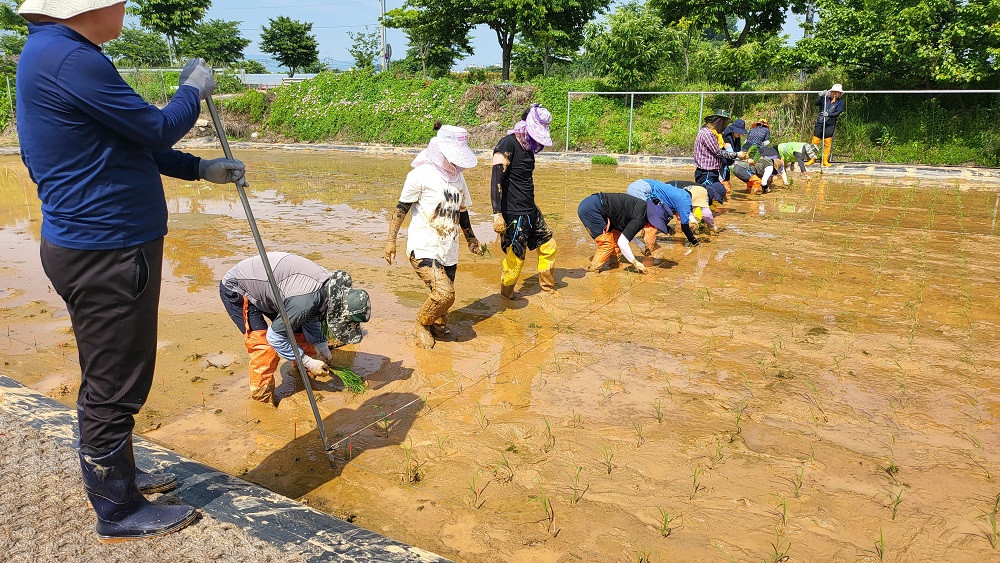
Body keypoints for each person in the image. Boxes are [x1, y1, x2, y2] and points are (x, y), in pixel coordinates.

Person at [15, 0, 244, 542]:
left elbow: (126, 139)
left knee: (111, 369)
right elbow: (157, 127)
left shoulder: (55, 53)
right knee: (116, 382)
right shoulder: (73, 61)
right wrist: (192, 90)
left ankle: (121, 475)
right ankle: (116, 510)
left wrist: (199, 170)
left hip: (89, 244)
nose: (125, 7)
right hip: (109, 251)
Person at [220, 253, 371, 404]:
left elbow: (311, 313)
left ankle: (302, 374)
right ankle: (262, 399)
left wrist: (320, 344)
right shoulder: (305, 301)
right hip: (239, 288)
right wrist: (309, 361)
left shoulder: (330, 291)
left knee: (302, 337)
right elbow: (275, 337)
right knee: (264, 348)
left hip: (275, 288)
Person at [385, 123, 481, 349]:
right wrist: (391, 240)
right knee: (445, 293)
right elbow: (401, 209)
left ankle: (434, 327)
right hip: (424, 246)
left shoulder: (458, 177)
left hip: (449, 247)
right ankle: (420, 324)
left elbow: (462, 210)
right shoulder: (420, 174)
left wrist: (470, 238)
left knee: (441, 310)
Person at [491, 104, 557, 299]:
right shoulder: (507, 144)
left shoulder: (527, 146)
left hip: (530, 208)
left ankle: (547, 290)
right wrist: (497, 215)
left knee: (549, 246)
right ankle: (506, 295)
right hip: (513, 212)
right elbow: (496, 182)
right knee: (516, 259)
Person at [577, 192, 653, 273]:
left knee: (616, 235)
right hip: (590, 209)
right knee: (606, 243)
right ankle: (593, 270)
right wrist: (635, 262)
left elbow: (624, 235)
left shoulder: (637, 212)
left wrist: (641, 245)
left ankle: (614, 265)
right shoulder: (638, 217)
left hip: (598, 205)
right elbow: (623, 242)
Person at [625, 179, 701, 248]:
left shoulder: (674, 194)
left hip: (639, 184)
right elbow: (685, 227)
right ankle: (649, 251)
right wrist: (694, 241)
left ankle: (645, 242)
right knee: (651, 226)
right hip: (640, 190)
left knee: (648, 219)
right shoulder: (684, 201)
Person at [694, 109, 743, 187]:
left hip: (712, 172)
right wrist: (737, 155)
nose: (724, 125)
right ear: (717, 122)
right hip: (706, 173)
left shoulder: (714, 133)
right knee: (710, 196)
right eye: (723, 122)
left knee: (720, 192)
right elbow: (718, 152)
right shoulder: (708, 133)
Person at [811, 84, 845, 166]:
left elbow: (838, 112)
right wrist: (822, 96)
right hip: (820, 122)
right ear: (831, 92)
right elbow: (816, 103)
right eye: (834, 92)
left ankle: (825, 160)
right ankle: (811, 159)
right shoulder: (825, 99)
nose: (835, 94)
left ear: (840, 94)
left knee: (827, 142)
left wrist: (828, 114)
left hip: (830, 124)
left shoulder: (840, 102)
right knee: (815, 141)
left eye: (837, 92)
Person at [720, 118, 748, 190]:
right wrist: (745, 159)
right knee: (724, 187)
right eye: (738, 132)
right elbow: (731, 154)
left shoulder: (737, 137)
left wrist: (746, 157)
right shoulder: (726, 137)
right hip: (720, 165)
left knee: (727, 186)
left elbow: (738, 151)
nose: (740, 134)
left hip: (727, 165)